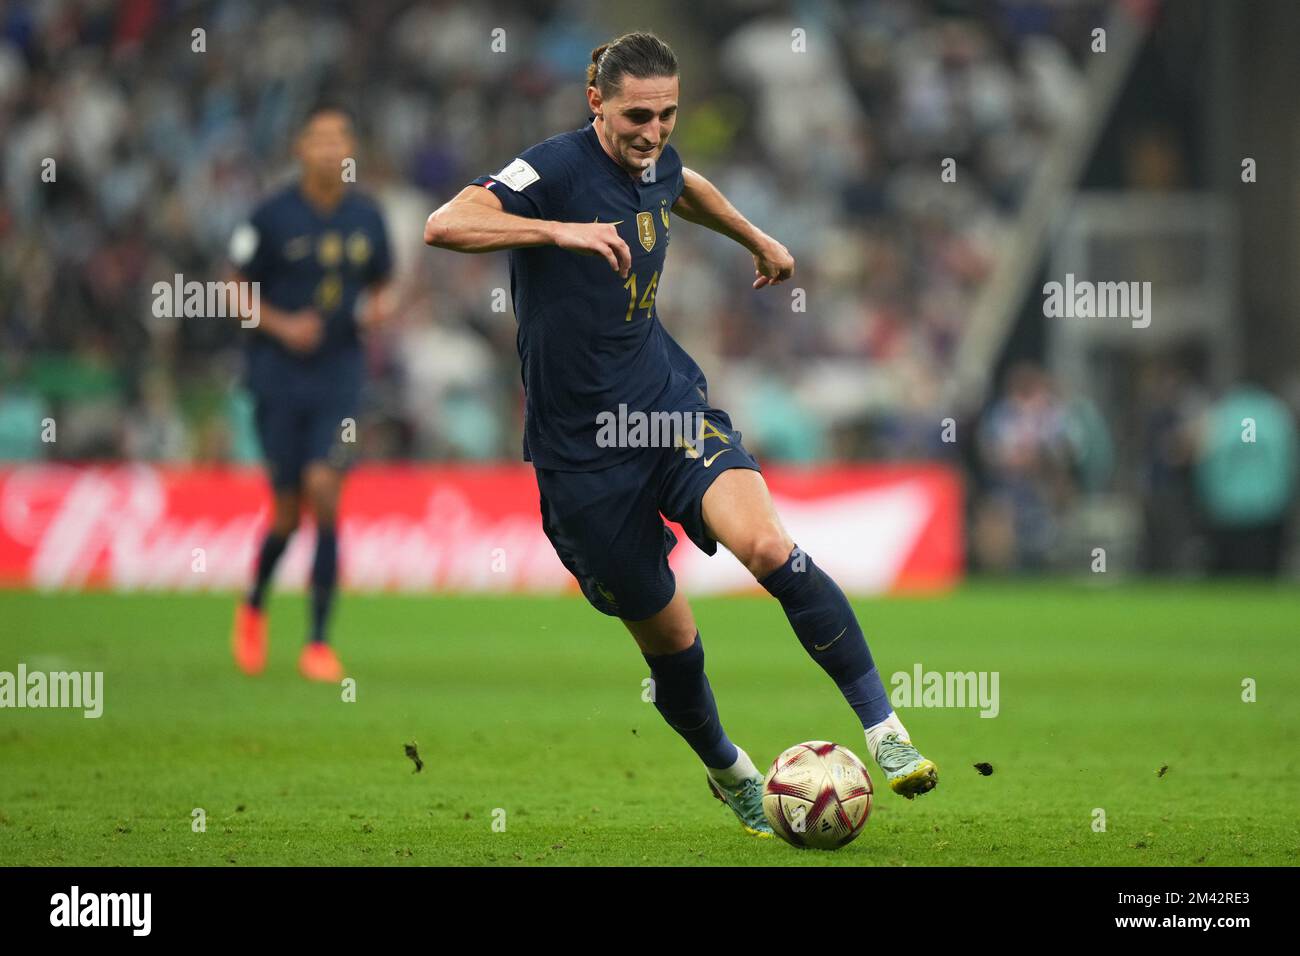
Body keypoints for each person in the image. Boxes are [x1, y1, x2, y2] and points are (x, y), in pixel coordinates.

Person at [423, 32, 936, 837]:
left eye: (667, 115)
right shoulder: (553, 170)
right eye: (637, 115)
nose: (654, 132)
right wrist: (559, 231)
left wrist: (752, 236)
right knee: (672, 637)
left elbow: (681, 183)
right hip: (581, 458)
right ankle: (730, 769)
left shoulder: (656, 156)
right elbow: (445, 224)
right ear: (596, 101)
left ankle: (887, 732)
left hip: (666, 406)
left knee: (768, 548)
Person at [227, 102, 392, 681]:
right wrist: (281, 325)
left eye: (340, 138)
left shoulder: (368, 216)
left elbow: (383, 285)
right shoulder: (270, 216)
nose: (330, 149)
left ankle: (317, 642)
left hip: (340, 375)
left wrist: (375, 312)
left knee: (325, 490)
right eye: (318, 139)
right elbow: (233, 288)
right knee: (286, 515)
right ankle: (253, 604)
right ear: (300, 149)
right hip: (277, 374)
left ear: (350, 151)